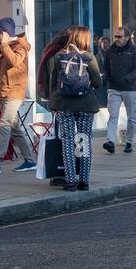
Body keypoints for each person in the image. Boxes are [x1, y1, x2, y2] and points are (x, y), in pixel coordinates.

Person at [45, 25, 102, 191]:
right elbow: (98, 83)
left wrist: (51, 103)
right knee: (83, 140)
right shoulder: (89, 57)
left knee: (68, 141)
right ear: (84, 39)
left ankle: (70, 181)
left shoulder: (58, 56)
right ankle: (84, 180)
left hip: (64, 105)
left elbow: (53, 83)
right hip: (85, 105)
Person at [0, 17, 35, 175]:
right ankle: (29, 160)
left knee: (4, 124)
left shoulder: (19, 47)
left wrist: (4, 45)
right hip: (4, 91)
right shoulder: (6, 47)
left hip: (14, 92)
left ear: (5, 33)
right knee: (14, 128)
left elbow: (15, 61)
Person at [102, 24, 136, 154]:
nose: (116, 39)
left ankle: (129, 141)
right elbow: (106, 68)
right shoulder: (110, 51)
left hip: (130, 88)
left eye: (119, 36)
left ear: (127, 37)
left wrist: (127, 79)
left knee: (131, 117)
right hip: (114, 88)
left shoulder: (135, 51)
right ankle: (110, 141)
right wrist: (105, 77)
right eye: (115, 36)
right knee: (113, 115)